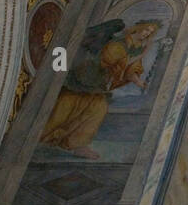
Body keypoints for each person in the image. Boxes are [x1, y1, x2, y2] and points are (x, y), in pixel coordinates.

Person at [41, 20, 162, 159]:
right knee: (66, 104)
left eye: (150, 32)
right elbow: (109, 61)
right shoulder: (119, 42)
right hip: (87, 77)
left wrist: (141, 83)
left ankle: (76, 144)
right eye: (146, 29)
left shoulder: (135, 48)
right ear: (138, 29)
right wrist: (143, 54)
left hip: (99, 85)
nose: (146, 34)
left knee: (99, 107)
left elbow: (130, 71)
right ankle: (43, 134)